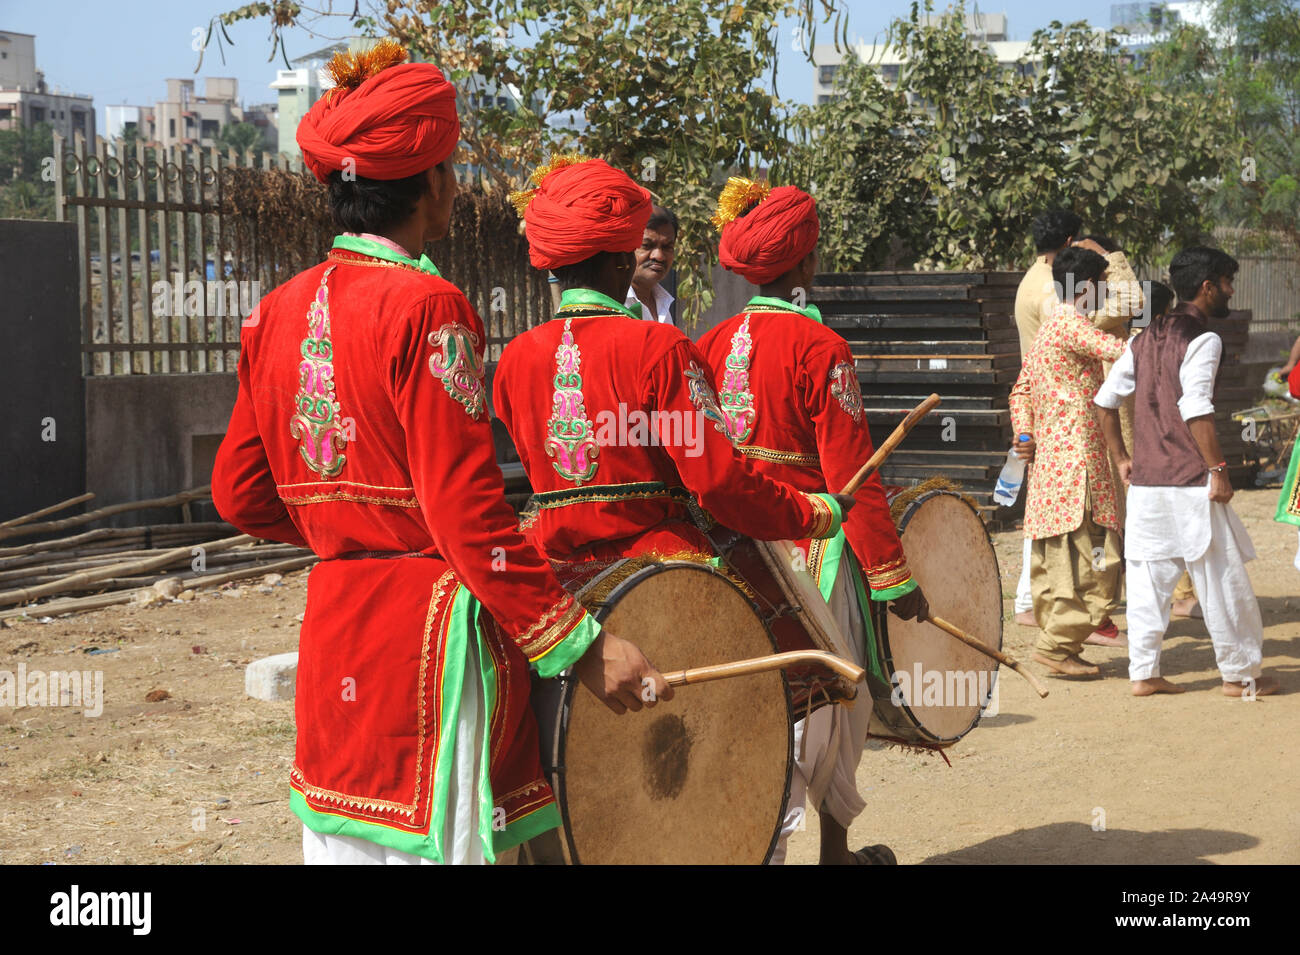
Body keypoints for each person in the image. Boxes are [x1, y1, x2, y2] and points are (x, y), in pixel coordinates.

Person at [210, 46, 670, 866]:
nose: (456, 184)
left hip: (336, 638)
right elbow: (466, 516)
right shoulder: (431, 306)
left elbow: (240, 495)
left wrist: (347, 527)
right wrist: (584, 646)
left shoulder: (272, 312)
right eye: (450, 167)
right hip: (429, 647)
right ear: (427, 183)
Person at [697, 177, 927, 866]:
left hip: (731, 557)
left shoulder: (706, 344)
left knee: (753, 708)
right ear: (802, 264)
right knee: (829, 707)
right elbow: (854, 479)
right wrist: (892, 576)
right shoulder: (821, 348)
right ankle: (825, 853)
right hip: (811, 555)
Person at [1095, 247, 1279, 697]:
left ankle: (1144, 674)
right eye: (1227, 282)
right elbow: (1195, 407)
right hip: (1190, 481)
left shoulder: (1143, 337)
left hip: (1147, 485)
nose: (1231, 290)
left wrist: (1121, 459)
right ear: (1207, 286)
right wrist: (1218, 469)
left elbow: (1104, 400)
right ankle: (1238, 676)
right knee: (1221, 579)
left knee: (1148, 581)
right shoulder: (1203, 338)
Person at [1010, 247, 1127, 677]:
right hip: (1079, 472)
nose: (1108, 292)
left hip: (1054, 473)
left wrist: (1025, 434)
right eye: (1104, 284)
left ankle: (1062, 646)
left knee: (1065, 563)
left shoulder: (1050, 327)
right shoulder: (1071, 325)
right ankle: (1056, 648)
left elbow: (1020, 391)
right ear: (1087, 286)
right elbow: (1123, 354)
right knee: (1097, 562)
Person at [626, 204, 678, 325]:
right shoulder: (611, 304)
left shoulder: (663, 302)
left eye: (667, 247)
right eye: (647, 246)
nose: (659, 256)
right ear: (626, 248)